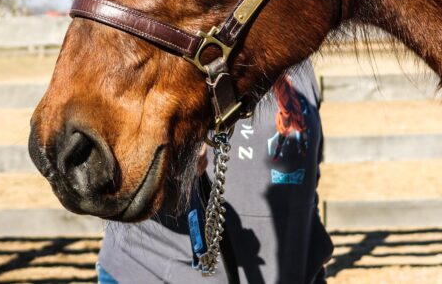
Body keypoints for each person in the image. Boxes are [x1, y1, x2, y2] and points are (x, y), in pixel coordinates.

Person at [96, 60, 332, 283]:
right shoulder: (180, 43)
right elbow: (106, 166)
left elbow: (306, 180)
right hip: (160, 272)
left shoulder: (299, 60)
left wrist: (310, 259)